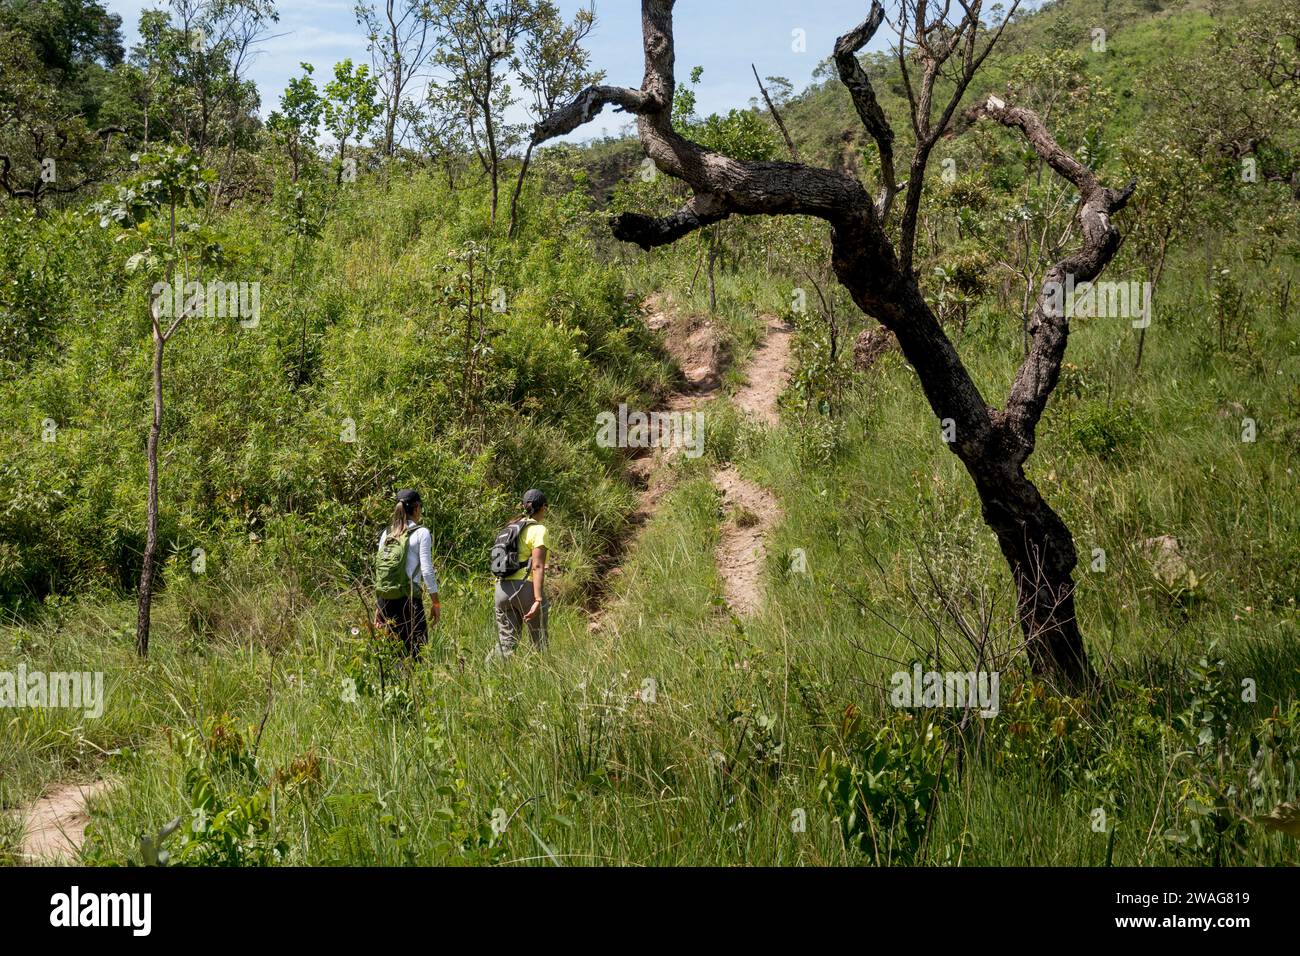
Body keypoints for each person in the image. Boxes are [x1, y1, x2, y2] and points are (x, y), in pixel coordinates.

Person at [374, 488, 440, 657]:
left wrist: (378, 607)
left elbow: (381, 573)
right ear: (417, 508)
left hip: (386, 602)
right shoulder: (421, 533)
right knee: (418, 655)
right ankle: (415, 684)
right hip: (409, 602)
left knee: (393, 655)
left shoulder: (386, 534)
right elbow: (427, 570)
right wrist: (436, 603)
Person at [491, 488, 550, 661]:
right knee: (539, 643)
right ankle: (541, 680)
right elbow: (538, 566)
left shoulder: (509, 527)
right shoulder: (539, 530)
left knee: (506, 643)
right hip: (526, 589)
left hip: (501, 589)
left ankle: (488, 676)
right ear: (543, 508)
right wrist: (538, 599)